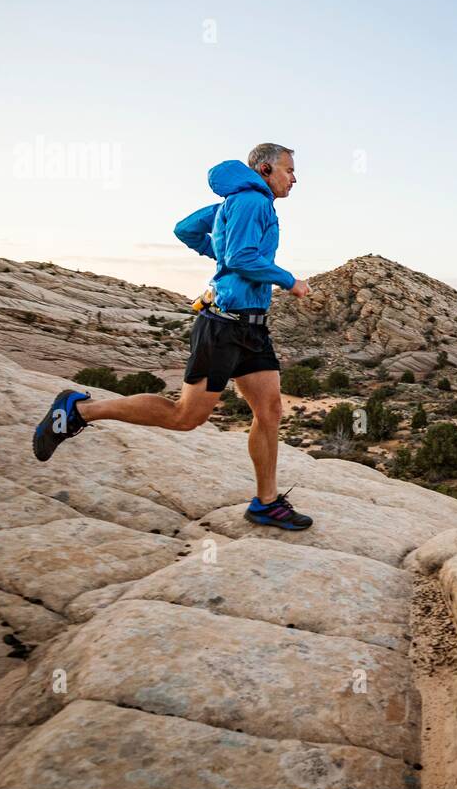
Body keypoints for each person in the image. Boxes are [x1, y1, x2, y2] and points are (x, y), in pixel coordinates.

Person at [31, 143, 315, 531]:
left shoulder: (235, 203)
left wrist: (217, 248)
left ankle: (265, 503)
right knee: (186, 417)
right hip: (224, 327)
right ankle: (78, 409)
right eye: (289, 170)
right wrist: (289, 282)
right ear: (266, 169)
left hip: (252, 328)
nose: (294, 178)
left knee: (270, 412)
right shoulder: (253, 202)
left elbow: (186, 230)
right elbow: (242, 259)